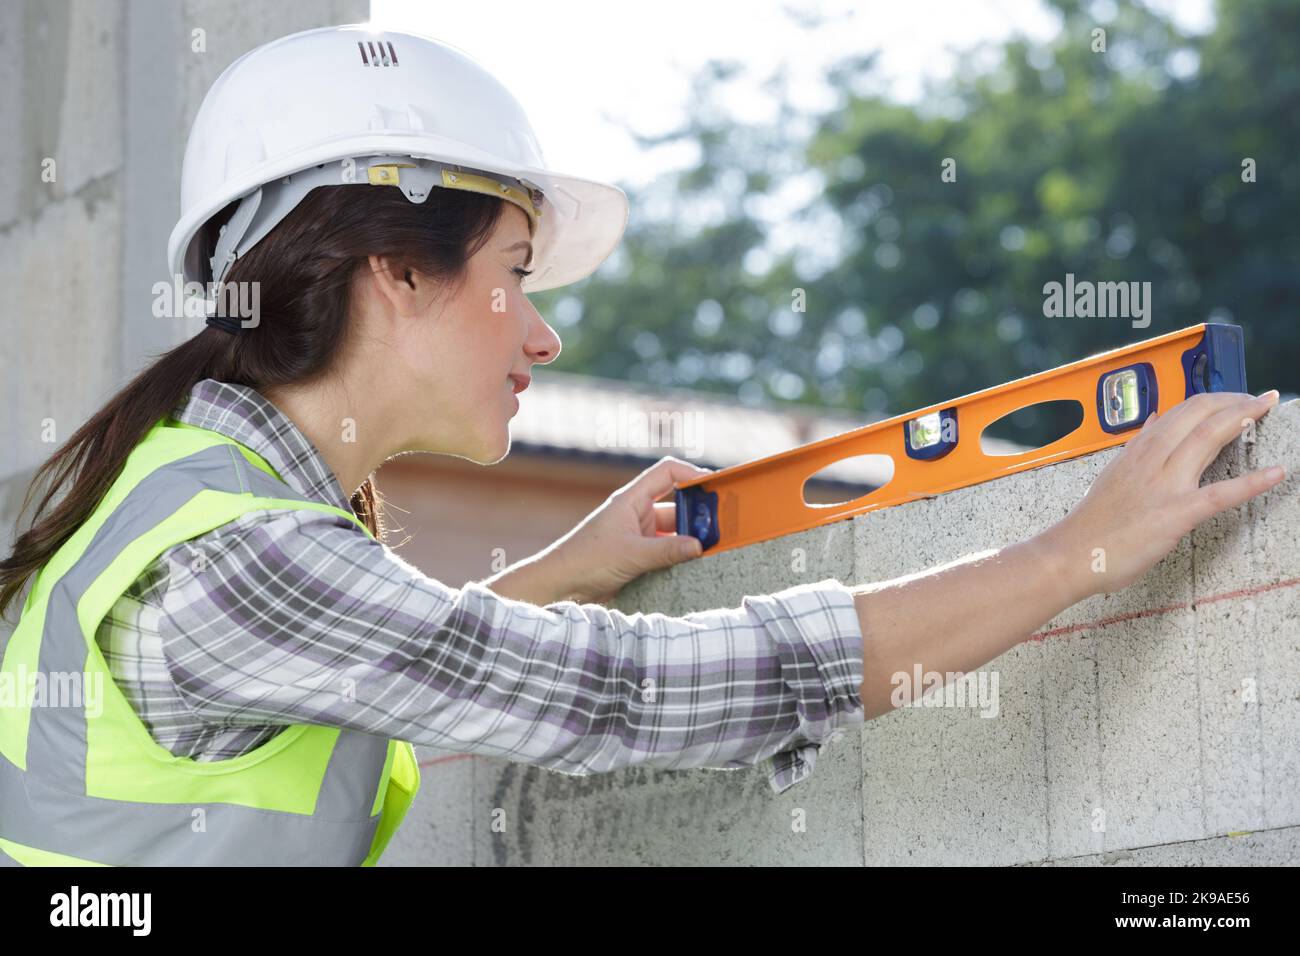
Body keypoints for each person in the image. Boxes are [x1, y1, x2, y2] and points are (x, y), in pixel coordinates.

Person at [0, 25, 1284, 868]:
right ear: (393, 269)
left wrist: (567, 568)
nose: (545, 336)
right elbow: (627, 693)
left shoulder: (194, 506)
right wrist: (1077, 550)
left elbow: (372, 655)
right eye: (515, 271)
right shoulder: (239, 559)